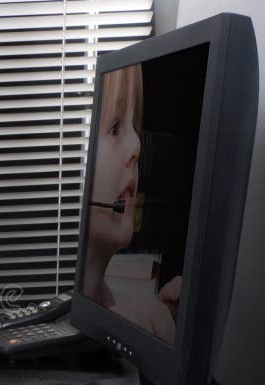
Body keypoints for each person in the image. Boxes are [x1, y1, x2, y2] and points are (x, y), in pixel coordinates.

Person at [82, 64, 179, 345]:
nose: (136, 144)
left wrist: (155, 314)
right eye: (115, 128)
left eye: (134, 127)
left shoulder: (103, 299)